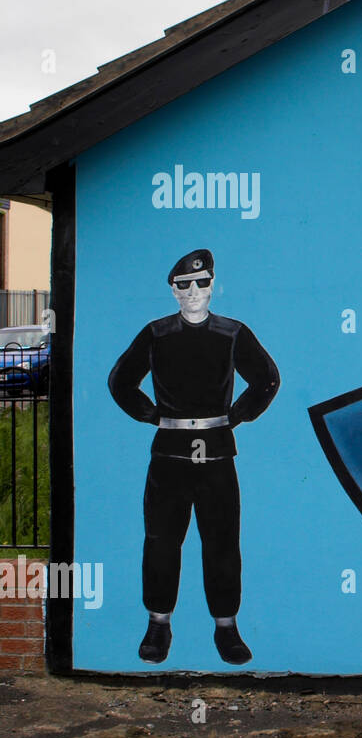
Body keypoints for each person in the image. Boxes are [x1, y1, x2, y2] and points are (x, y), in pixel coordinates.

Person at [108, 249, 279, 665]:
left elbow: (267, 378)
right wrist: (151, 414)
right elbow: (121, 381)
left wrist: (236, 416)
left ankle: (227, 627)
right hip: (169, 454)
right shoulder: (156, 333)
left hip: (218, 455)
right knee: (162, 541)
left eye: (201, 283)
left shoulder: (232, 333)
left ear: (213, 285)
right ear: (173, 290)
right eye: (184, 285)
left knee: (221, 543)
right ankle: (158, 623)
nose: (193, 292)